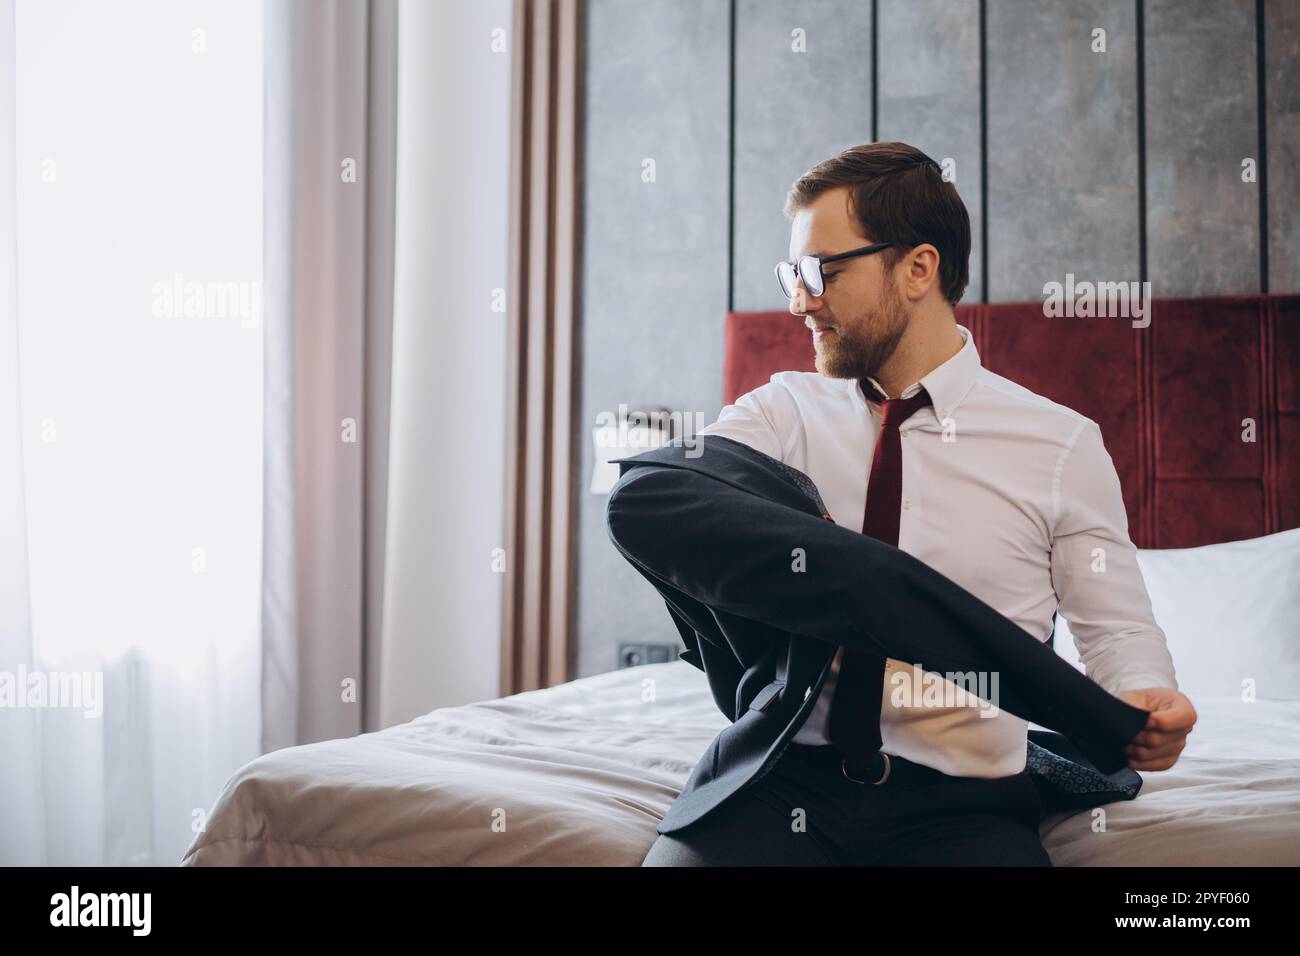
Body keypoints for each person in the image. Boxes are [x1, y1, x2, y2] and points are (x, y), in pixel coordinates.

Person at [638, 141, 1196, 866]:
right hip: (784, 781)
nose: (797, 299)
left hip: (964, 808)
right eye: (792, 272)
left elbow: (1115, 629)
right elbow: (662, 496)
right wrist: (840, 568)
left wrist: (1146, 699)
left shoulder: (1061, 445)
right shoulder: (781, 414)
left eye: (821, 271)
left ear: (918, 268)